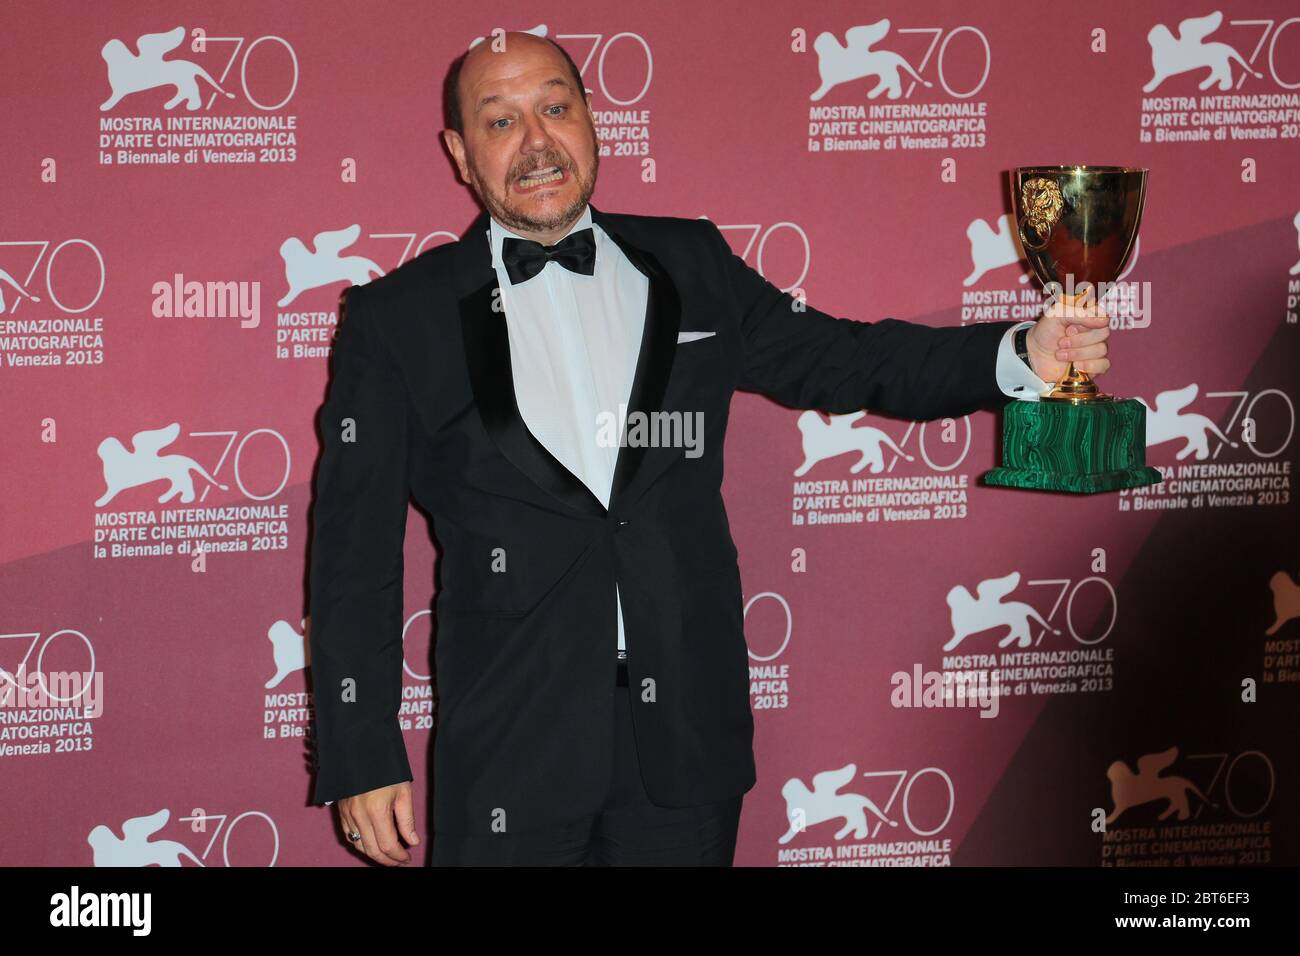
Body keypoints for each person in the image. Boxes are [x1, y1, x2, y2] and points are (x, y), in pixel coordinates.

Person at [307, 31, 1112, 867]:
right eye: (500, 121)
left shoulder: (693, 262)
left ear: (591, 121)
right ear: (461, 156)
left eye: (555, 107)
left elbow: (846, 358)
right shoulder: (397, 318)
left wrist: (1022, 352)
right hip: (511, 746)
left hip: (684, 742)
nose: (538, 141)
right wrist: (360, 750)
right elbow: (352, 559)